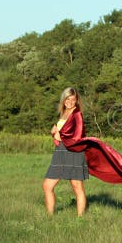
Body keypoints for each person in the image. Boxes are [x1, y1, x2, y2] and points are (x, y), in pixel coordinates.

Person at [42, 87, 88, 216]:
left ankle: (80, 219)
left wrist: (60, 136)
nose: (70, 102)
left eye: (73, 99)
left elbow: (78, 136)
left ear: (77, 101)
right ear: (63, 99)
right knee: (47, 185)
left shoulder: (77, 114)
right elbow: (64, 132)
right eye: (68, 99)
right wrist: (54, 132)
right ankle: (49, 217)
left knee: (76, 185)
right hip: (60, 152)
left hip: (74, 152)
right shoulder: (63, 113)